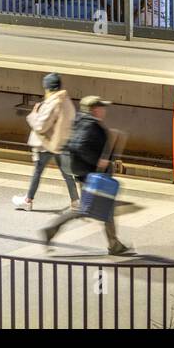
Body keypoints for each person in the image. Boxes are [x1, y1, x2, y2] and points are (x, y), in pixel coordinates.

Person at [36, 97, 130, 255]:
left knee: (101, 207)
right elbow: (81, 146)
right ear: (94, 109)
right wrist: (99, 162)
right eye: (101, 107)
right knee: (90, 209)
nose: (104, 110)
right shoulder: (89, 125)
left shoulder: (81, 121)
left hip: (86, 174)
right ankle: (51, 229)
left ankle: (114, 243)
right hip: (91, 175)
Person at [12, 72, 78, 210]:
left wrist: (34, 114)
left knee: (38, 171)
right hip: (61, 144)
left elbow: (41, 126)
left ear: (47, 88)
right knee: (67, 174)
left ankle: (28, 200)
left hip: (47, 144)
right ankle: (76, 201)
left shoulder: (53, 102)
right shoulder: (67, 101)